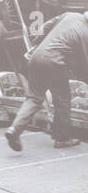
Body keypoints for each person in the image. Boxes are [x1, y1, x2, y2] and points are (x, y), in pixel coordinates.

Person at [5, 10, 88, 151]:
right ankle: (62, 138)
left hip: (36, 57)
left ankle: (15, 128)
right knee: (62, 100)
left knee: (33, 98)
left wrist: (35, 45)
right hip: (55, 63)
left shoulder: (69, 15)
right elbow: (85, 64)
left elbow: (44, 27)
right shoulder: (85, 34)